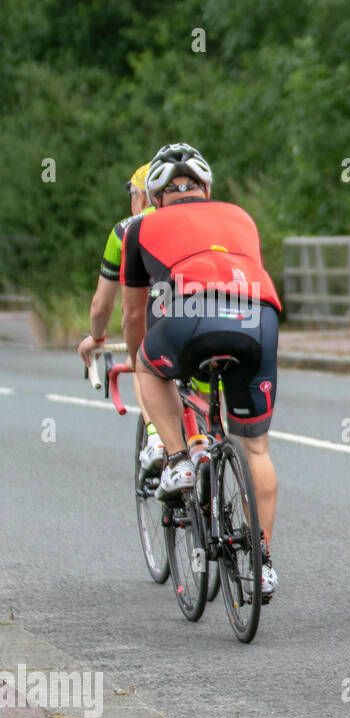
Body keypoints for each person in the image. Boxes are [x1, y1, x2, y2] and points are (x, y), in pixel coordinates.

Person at [120, 142, 283, 596]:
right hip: (258, 317)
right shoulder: (241, 216)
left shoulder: (141, 227)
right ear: (206, 188)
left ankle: (178, 462)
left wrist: (143, 359)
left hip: (189, 313)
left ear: (155, 197)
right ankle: (263, 561)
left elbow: (134, 316)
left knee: (148, 369)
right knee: (256, 450)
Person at [78, 162, 165, 471]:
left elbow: (102, 306)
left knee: (143, 361)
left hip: (159, 321)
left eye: (132, 193)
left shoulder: (125, 229)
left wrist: (97, 337)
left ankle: (156, 436)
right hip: (211, 312)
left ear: (142, 196)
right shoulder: (200, 218)